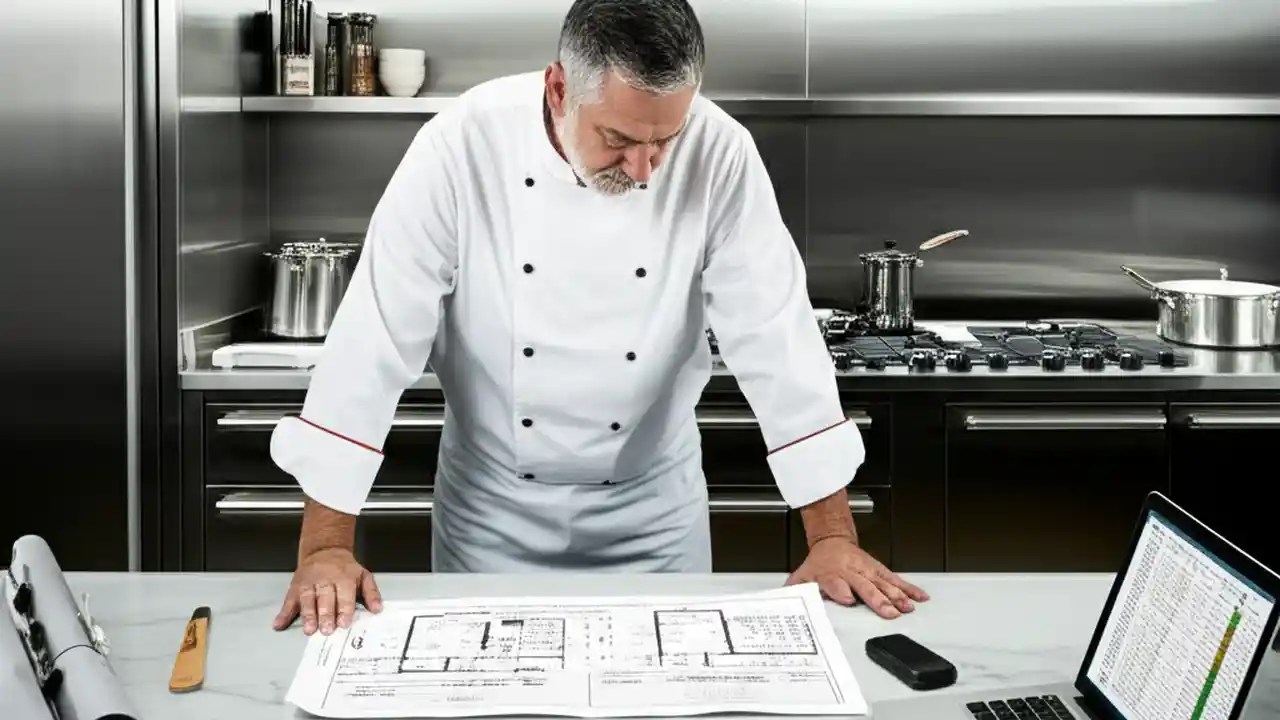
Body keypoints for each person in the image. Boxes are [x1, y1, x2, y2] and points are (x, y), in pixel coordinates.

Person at [269, 0, 928, 637]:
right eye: (618, 138)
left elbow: (778, 343)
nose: (644, 170)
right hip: (492, 518)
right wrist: (323, 547)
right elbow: (372, 342)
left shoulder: (722, 152)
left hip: (655, 518)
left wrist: (833, 538)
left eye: (665, 141)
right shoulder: (461, 145)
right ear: (559, 89)